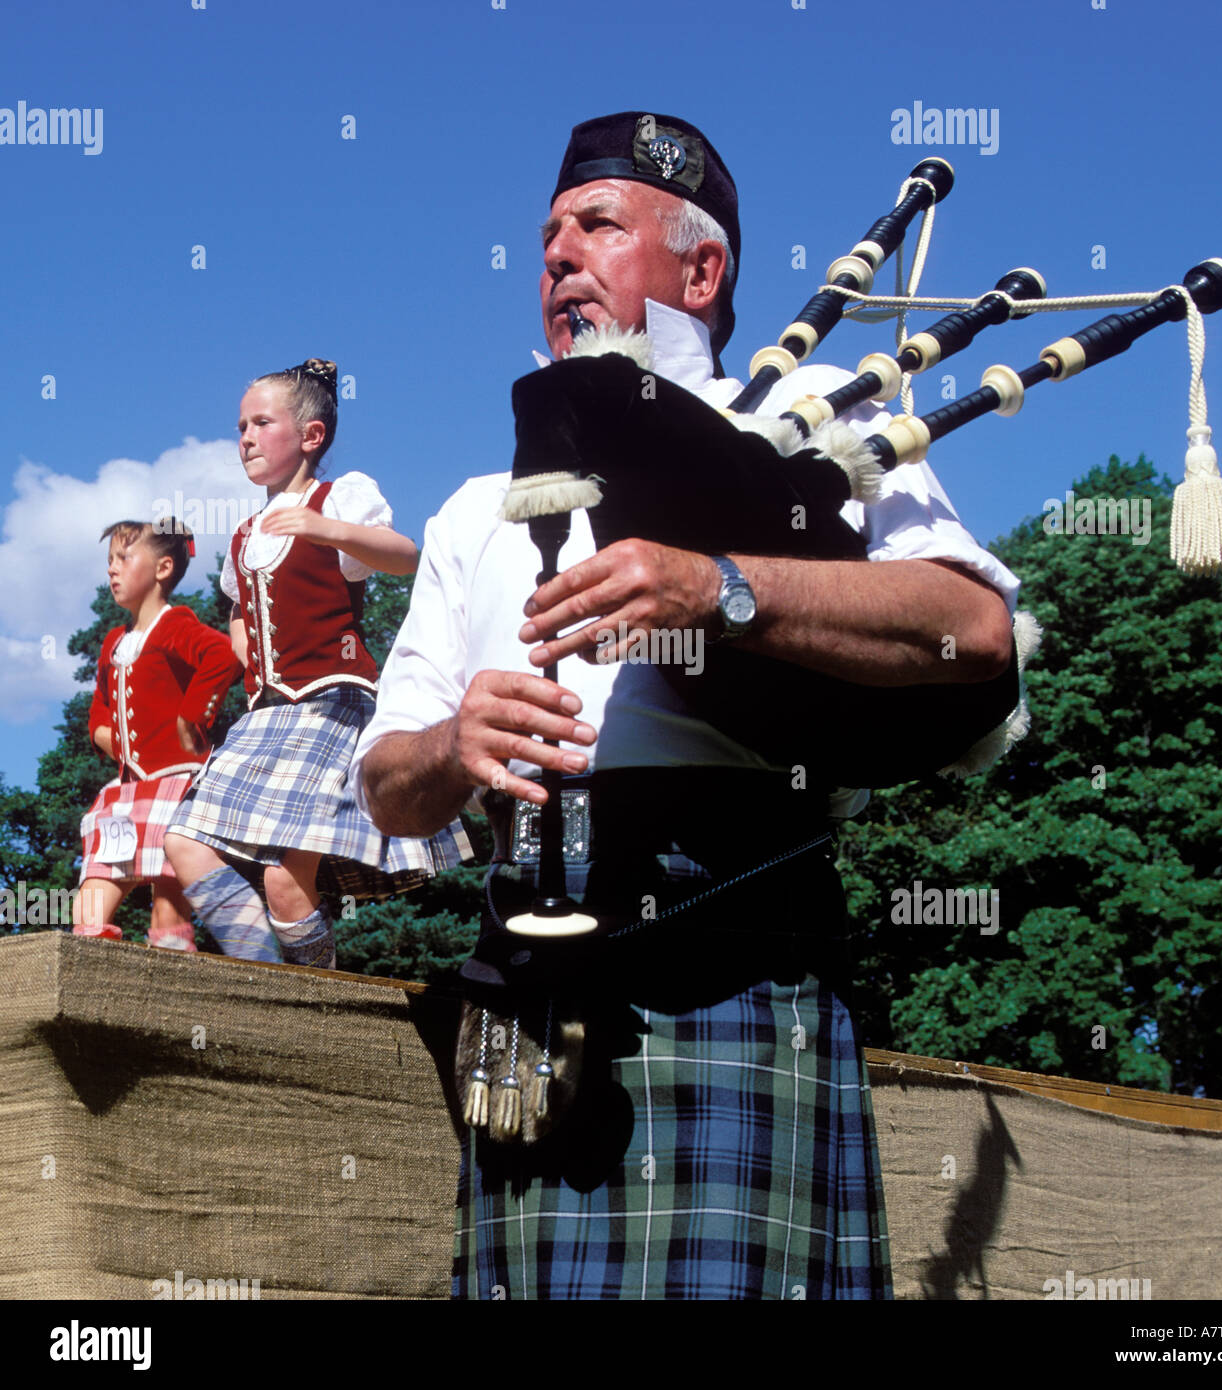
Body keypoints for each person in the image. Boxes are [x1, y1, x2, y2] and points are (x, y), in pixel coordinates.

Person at [354, 113, 1021, 1299]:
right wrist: (455, 745)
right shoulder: (469, 510)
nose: (556, 254)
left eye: (596, 225)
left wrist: (720, 585)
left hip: (731, 952)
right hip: (530, 984)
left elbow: (970, 631)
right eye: (547, 235)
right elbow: (384, 785)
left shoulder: (819, 416)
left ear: (701, 271)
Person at [164, 358, 469, 968]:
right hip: (267, 715)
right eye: (239, 426)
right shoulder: (246, 533)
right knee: (183, 842)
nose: (244, 436)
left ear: (310, 435)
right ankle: (268, 974)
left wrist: (324, 528)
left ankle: (319, 998)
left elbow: (405, 556)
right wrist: (242, 638)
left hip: (330, 704)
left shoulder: (341, 498)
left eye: (260, 422)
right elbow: (239, 607)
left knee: (284, 880)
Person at [76, 518, 242, 951]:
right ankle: (88, 969)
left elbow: (222, 654)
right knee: (96, 885)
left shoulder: (174, 624)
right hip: (128, 788)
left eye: (124, 558)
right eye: (108, 560)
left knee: (169, 902)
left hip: (176, 783)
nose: (112, 569)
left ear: (163, 568)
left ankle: (169, 992)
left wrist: (192, 716)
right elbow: (101, 702)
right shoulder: (115, 640)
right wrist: (103, 735)